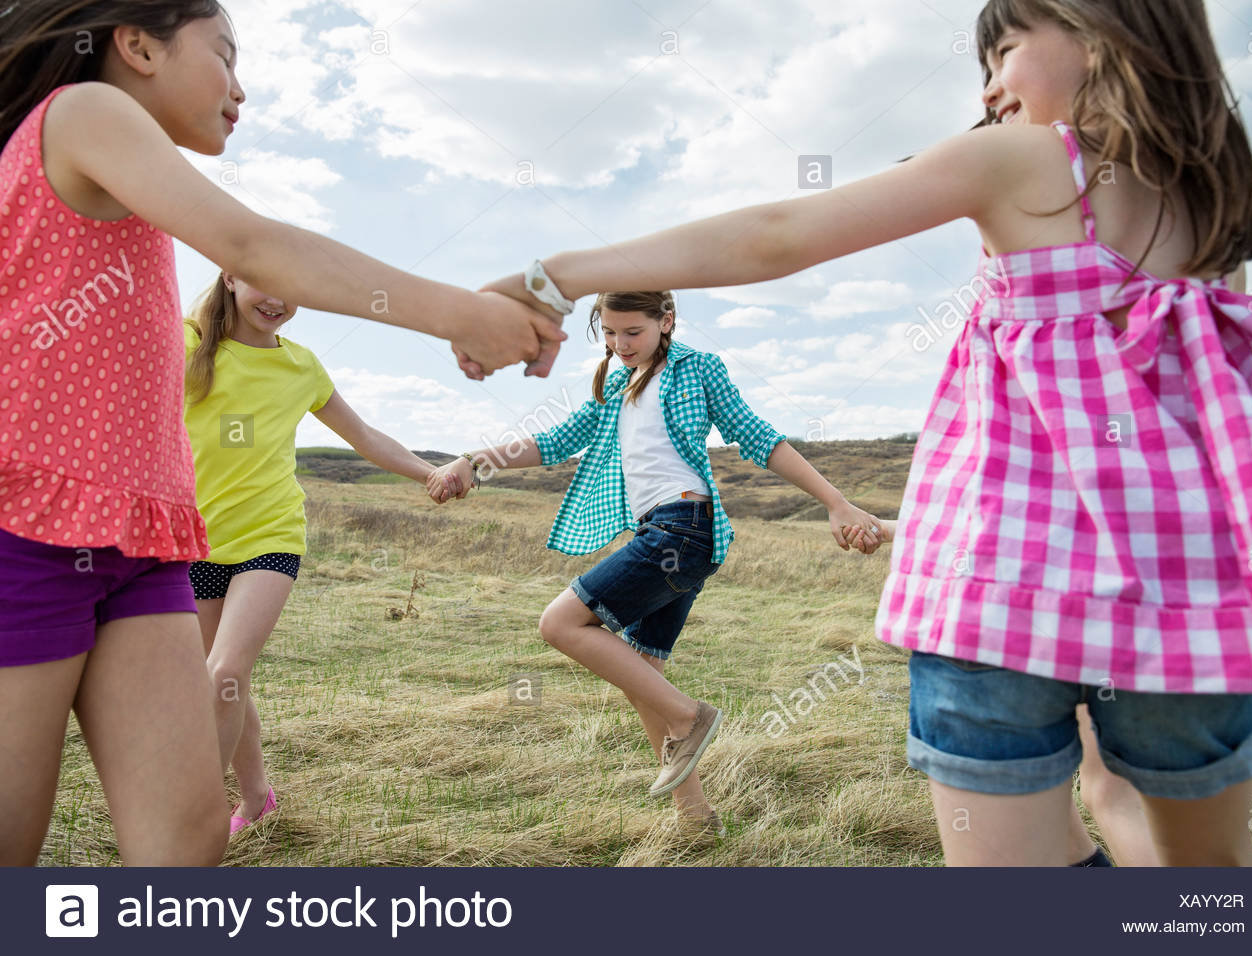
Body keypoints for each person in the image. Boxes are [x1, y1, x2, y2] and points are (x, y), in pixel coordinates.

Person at [460, 0, 1252, 865]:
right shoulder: (1212, 220)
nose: (990, 86)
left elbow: (775, 237)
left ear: (1099, 29)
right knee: (1207, 892)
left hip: (997, 599)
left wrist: (551, 279)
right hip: (1185, 608)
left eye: (1004, 50)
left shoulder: (1018, 161)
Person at [0, 1, 558, 866]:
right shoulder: (86, 110)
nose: (240, 89)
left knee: (186, 844)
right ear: (137, 44)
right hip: (26, 535)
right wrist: (460, 313)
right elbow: (252, 242)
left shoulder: (119, 165)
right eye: (224, 56)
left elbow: (348, 406)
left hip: (140, 546)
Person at [431, 291, 894, 835]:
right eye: (609, 332)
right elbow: (555, 440)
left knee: (559, 622)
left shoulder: (698, 370)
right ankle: (694, 818)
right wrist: (474, 462)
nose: (620, 344)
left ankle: (690, 717)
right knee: (645, 674)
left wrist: (835, 502)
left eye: (633, 332)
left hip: (685, 528)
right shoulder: (614, 383)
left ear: (666, 320)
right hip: (661, 532)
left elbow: (759, 437)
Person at [184, 272, 442, 836]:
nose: (277, 299)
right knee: (224, 681)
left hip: (270, 536)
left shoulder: (301, 367)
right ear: (230, 275)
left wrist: (430, 472)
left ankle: (194, 817)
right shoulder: (183, 343)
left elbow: (365, 436)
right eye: (261, 283)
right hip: (196, 540)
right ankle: (256, 801)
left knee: (225, 669)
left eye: (290, 286)